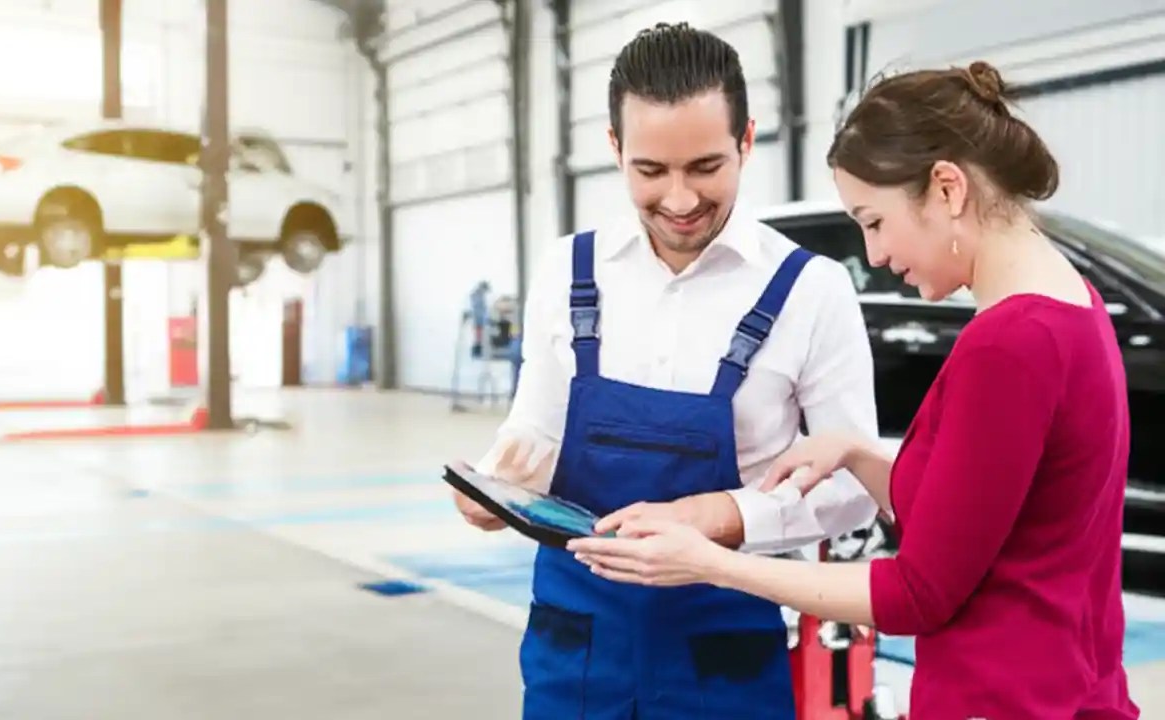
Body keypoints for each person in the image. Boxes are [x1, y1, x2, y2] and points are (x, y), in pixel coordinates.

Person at [569, 60, 1142, 720]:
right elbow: (984, 517)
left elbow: (918, 592)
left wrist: (709, 563)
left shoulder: (1008, 344)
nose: (873, 255)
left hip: (1001, 697)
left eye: (873, 221)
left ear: (947, 189)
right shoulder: (1076, 306)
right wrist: (856, 454)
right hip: (1074, 688)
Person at [450, 22, 880, 719]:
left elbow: (852, 491)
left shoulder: (811, 289)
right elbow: (534, 425)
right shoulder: (568, 269)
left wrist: (717, 517)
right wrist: (500, 484)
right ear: (615, 150)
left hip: (723, 654)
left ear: (747, 141)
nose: (679, 201)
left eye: (706, 167)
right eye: (650, 172)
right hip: (574, 651)